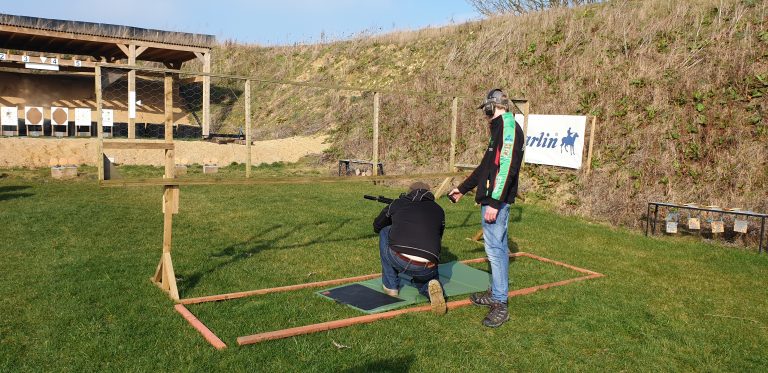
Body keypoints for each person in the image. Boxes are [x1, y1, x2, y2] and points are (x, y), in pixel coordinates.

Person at [448, 88, 525, 327]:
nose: (484, 114)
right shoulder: (500, 128)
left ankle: (500, 302)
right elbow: (486, 166)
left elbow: (507, 168)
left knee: (495, 250)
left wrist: (494, 202)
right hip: (492, 198)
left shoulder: (508, 128)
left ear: (493, 106)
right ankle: (496, 293)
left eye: (486, 109)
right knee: (495, 249)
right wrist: (463, 188)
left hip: (496, 201)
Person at [373, 181, 447, 314]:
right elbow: (439, 236)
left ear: (409, 191)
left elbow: (378, 225)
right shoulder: (439, 210)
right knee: (425, 280)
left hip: (398, 258)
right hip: (428, 265)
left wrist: (395, 220)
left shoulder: (398, 203)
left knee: (385, 231)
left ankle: (391, 286)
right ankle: (429, 289)